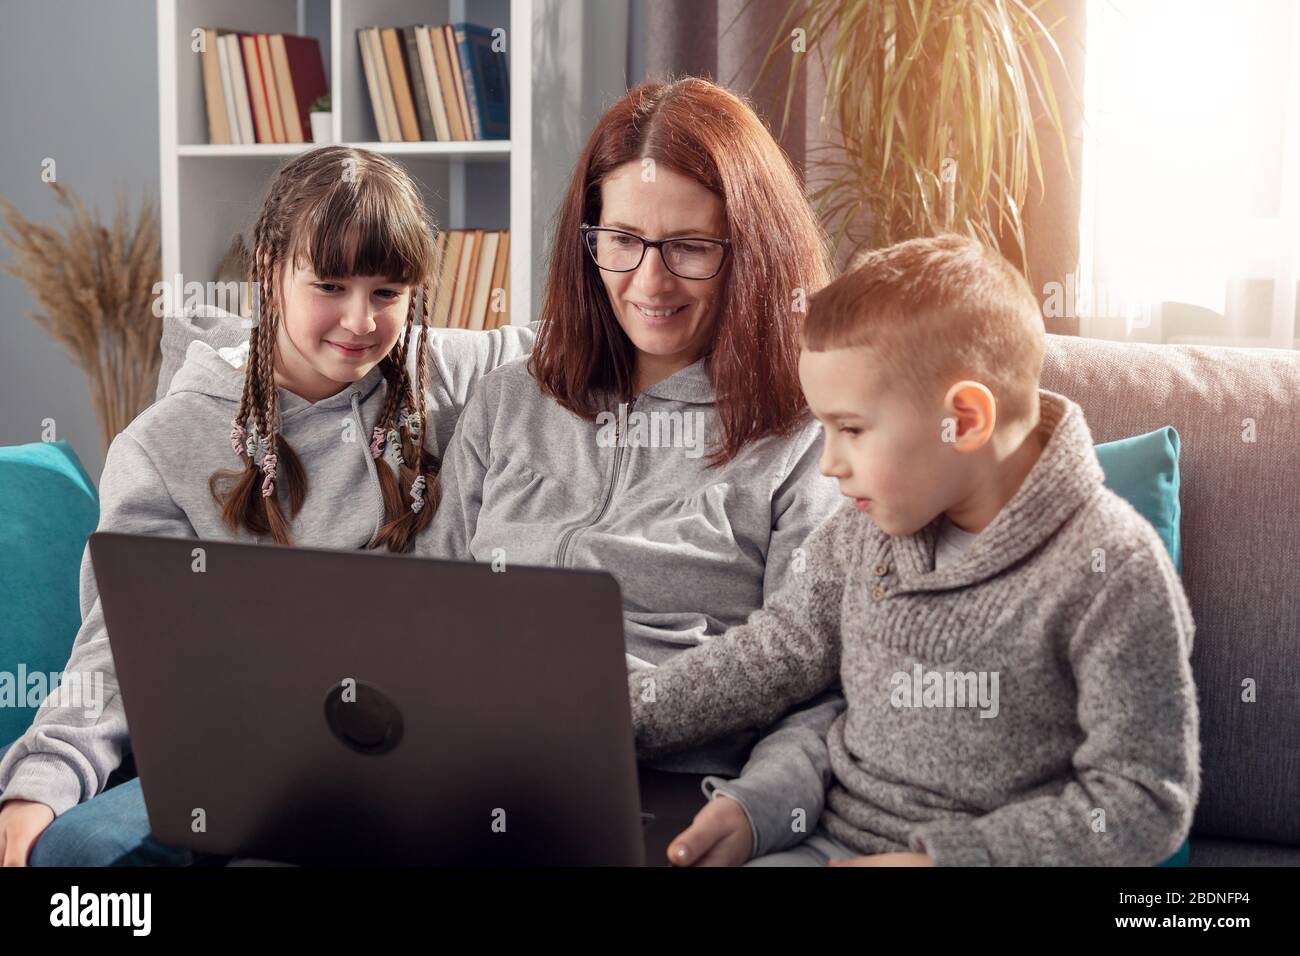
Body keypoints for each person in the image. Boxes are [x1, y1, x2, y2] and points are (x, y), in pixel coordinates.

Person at [0, 145, 534, 866]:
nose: (359, 321)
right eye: (331, 285)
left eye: (387, 293)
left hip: (409, 752)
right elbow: (119, 647)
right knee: (79, 853)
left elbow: (580, 339)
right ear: (269, 270)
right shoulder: (166, 444)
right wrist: (43, 780)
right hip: (235, 757)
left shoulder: (440, 374)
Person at [628, 234, 1200, 866]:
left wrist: (944, 862)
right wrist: (614, 722)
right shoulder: (862, 533)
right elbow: (768, 659)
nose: (828, 464)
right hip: (827, 841)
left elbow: (1143, 802)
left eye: (850, 429)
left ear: (967, 420)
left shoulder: (1113, 569)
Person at [422, 77, 845, 866]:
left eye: (690, 247)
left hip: (665, 784)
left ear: (752, 252)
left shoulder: (809, 434)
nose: (650, 283)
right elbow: (423, 605)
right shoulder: (511, 397)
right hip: (476, 762)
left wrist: (765, 804)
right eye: (622, 240)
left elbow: (819, 675)